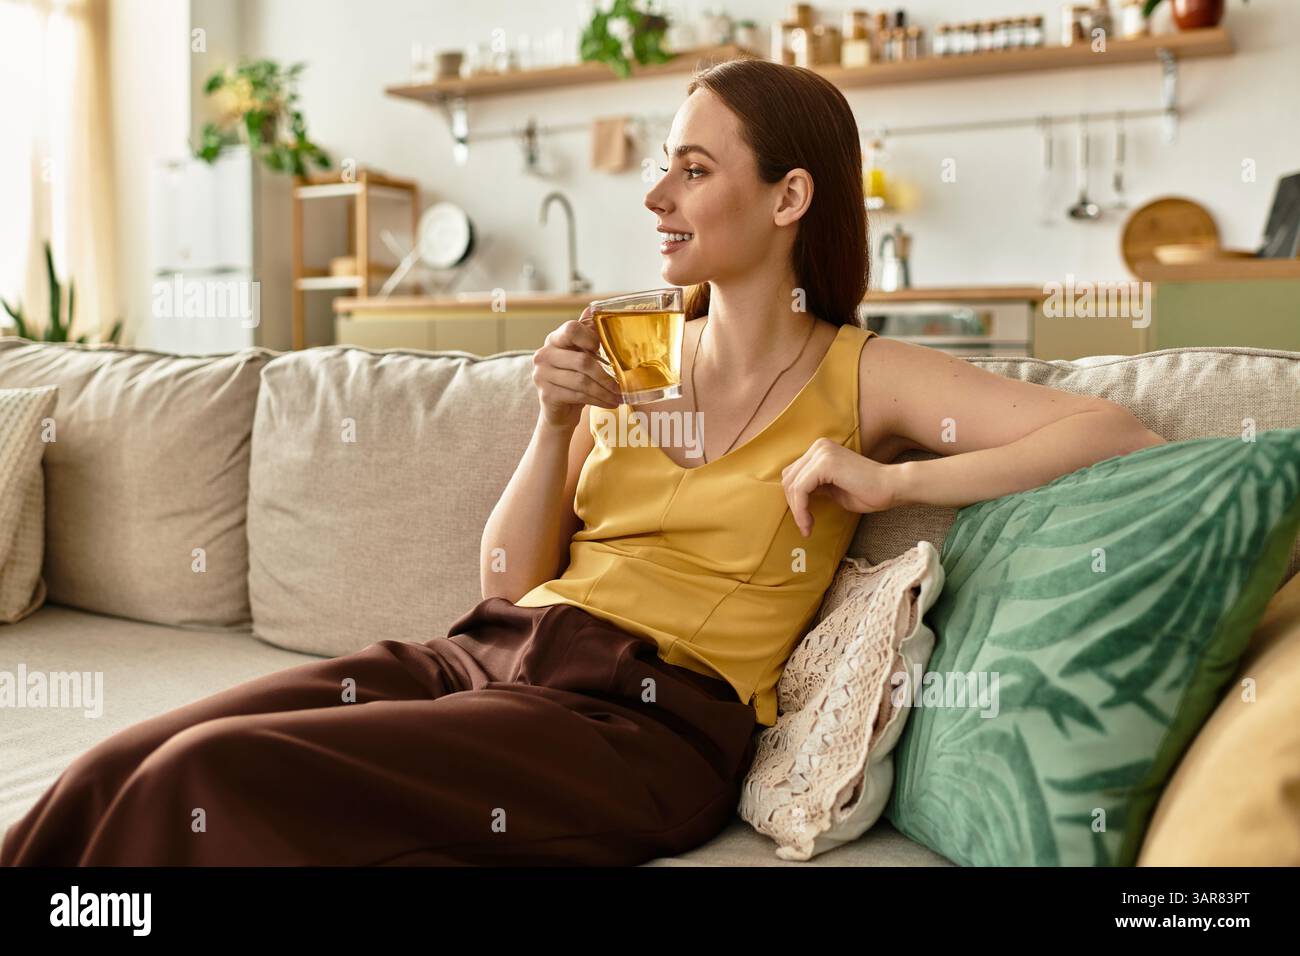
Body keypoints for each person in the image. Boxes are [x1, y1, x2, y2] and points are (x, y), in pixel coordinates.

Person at [0, 57, 1164, 867]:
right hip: (484, 650)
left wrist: (892, 483)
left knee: (204, 779)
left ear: (787, 197)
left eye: (695, 170)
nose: (656, 196)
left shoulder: (864, 375)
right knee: (118, 763)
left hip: (642, 720)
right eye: (662, 165)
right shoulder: (628, 346)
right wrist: (551, 424)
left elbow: (1115, 430)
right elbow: (505, 581)